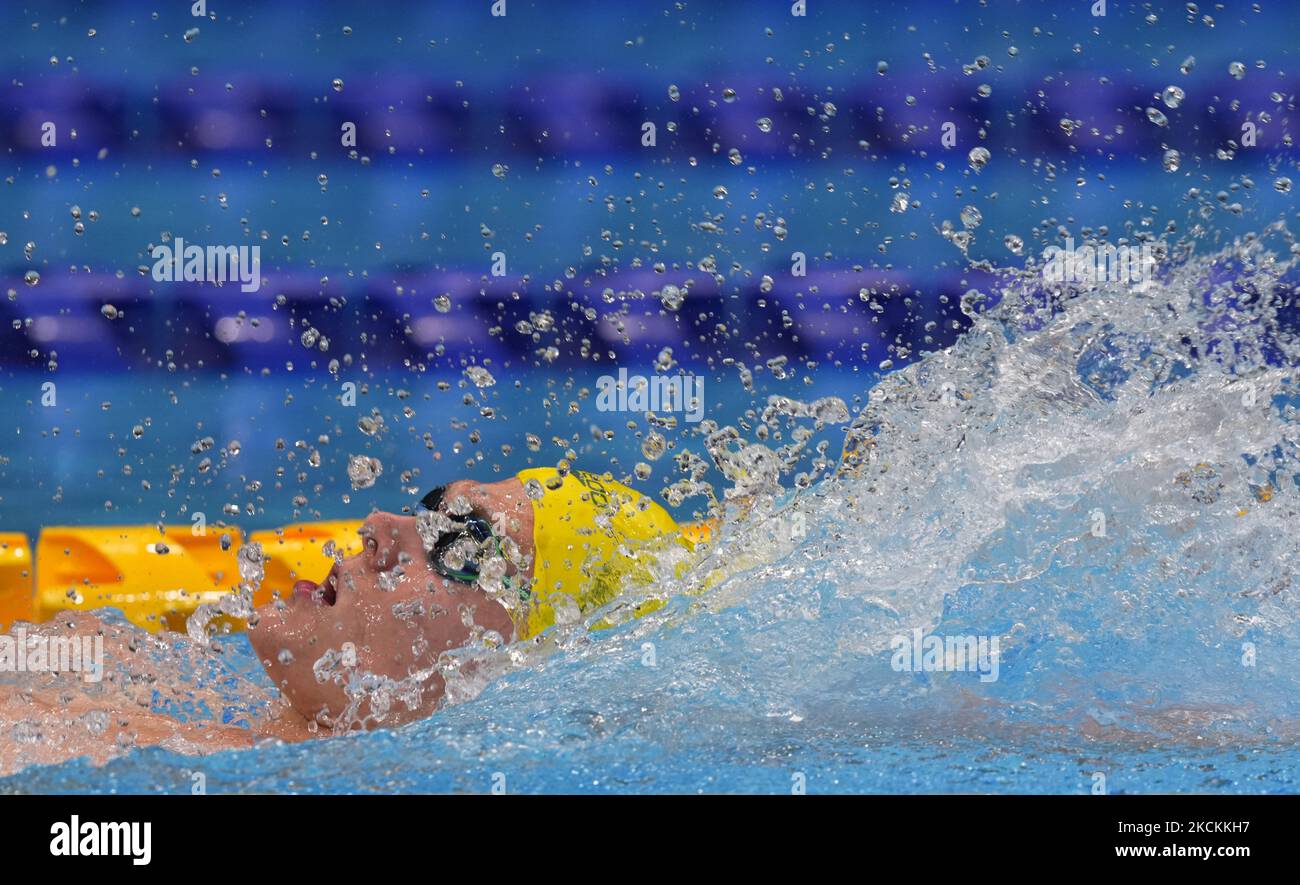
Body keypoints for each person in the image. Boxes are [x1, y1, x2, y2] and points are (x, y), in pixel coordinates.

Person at [0, 467, 701, 772]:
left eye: (460, 544)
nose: (379, 525)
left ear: (513, 672)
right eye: (431, 507)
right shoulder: (144, 674)